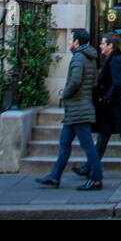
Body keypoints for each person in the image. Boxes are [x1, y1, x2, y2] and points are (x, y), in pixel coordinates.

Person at [73, 34, 121, 179]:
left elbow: (117, 83)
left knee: (119, 136)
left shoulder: (114, 61)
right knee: (105, 137)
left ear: (110, 46)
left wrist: (106, 98)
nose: (100, 46)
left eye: (103, 44)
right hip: (115, 106)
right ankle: (90, 167)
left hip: (115, 107)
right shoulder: (116, 59)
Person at [37, 29, 103, 191]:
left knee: (88, 147)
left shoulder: (79, 58)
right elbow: (94, 81)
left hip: (78, 109)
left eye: (71, 39)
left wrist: (64, 94)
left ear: (77, 42)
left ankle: (96, 178)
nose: (68, 42)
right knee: (64, 143)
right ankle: (55, 176)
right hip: (80, 107)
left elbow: (74, 81)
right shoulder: (90, 58)